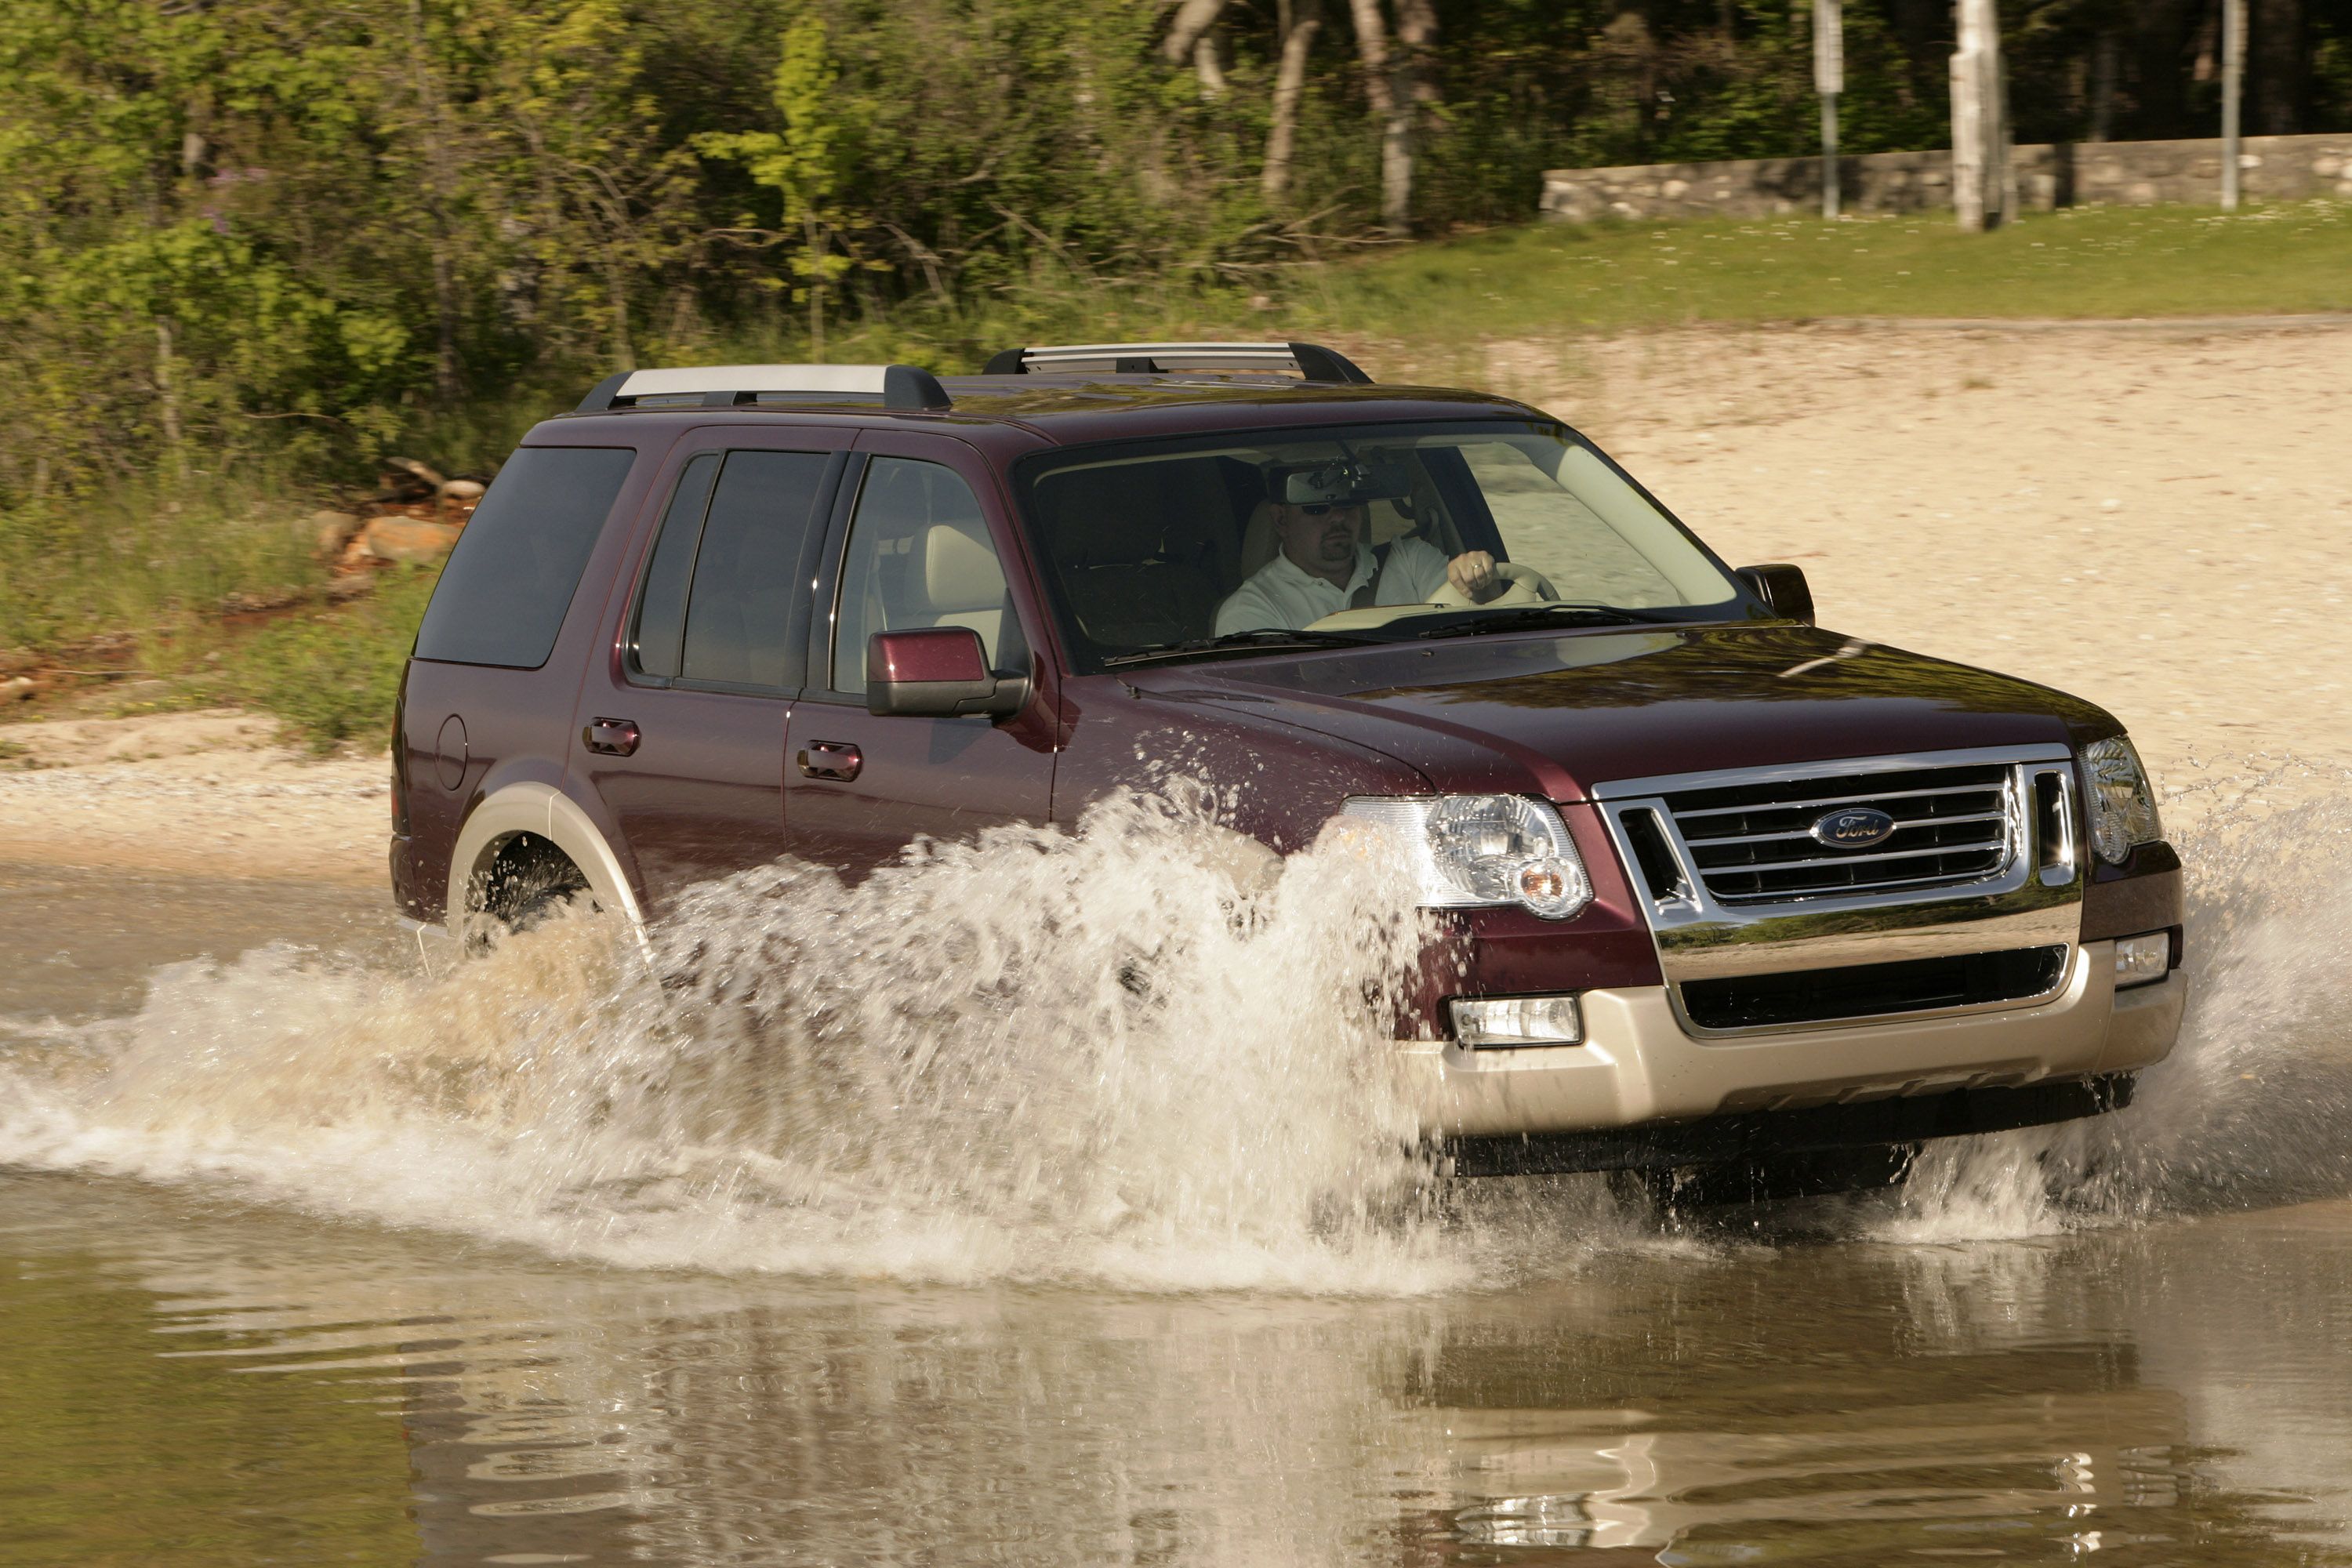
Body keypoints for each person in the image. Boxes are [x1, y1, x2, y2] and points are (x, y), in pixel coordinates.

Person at [1214, 486, 1500, 636]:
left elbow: (1479, 631)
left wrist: (1480, 581)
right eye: (1317, 508)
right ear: (1281, 519)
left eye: (1348, 505)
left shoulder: (1410, 560)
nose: (1338, 517)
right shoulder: (1250, 612)